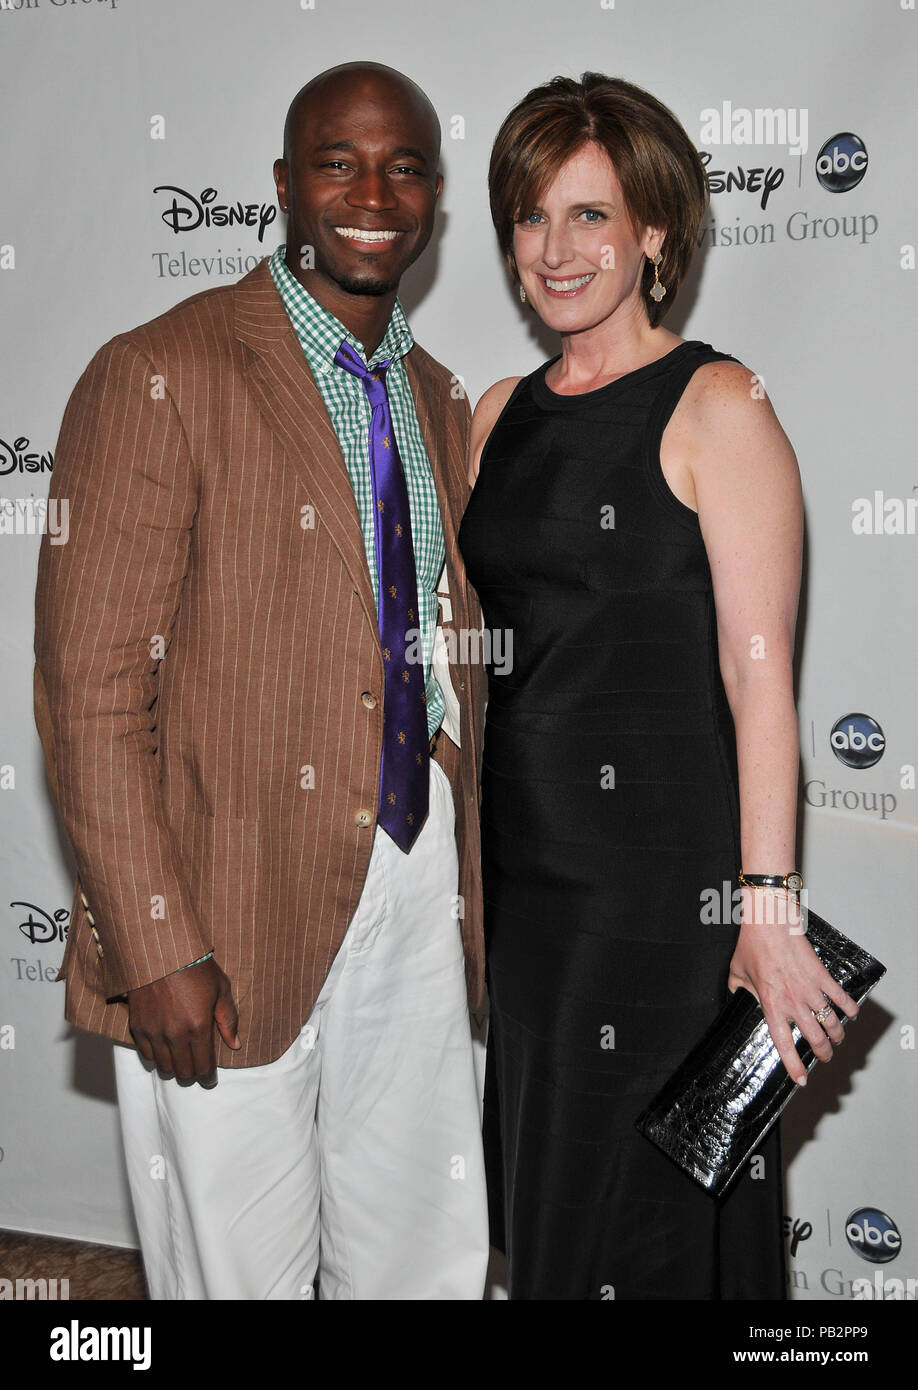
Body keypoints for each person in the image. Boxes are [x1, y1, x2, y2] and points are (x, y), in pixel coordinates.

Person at [33, 61, 489, 1301]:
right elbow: (88, 689)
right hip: (220, 908)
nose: (371, 192)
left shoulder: (438, 396)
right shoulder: (155, 372)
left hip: (414, 876)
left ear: (434, 198)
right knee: (237, 1272)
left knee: (424, 1255)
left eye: (402, 167)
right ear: (284, 184)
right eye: (337, 162)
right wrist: (154, 939)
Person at [457, 72, 860, 1301]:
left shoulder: (718, 405)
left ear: (655, 233)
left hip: (662, 894)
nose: (557, 248)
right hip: (529, 887)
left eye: (591, 215)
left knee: (653, 1221)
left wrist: (767, 908)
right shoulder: (492, 416)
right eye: (532, 217)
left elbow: (760, 685)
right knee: (551, 1206)